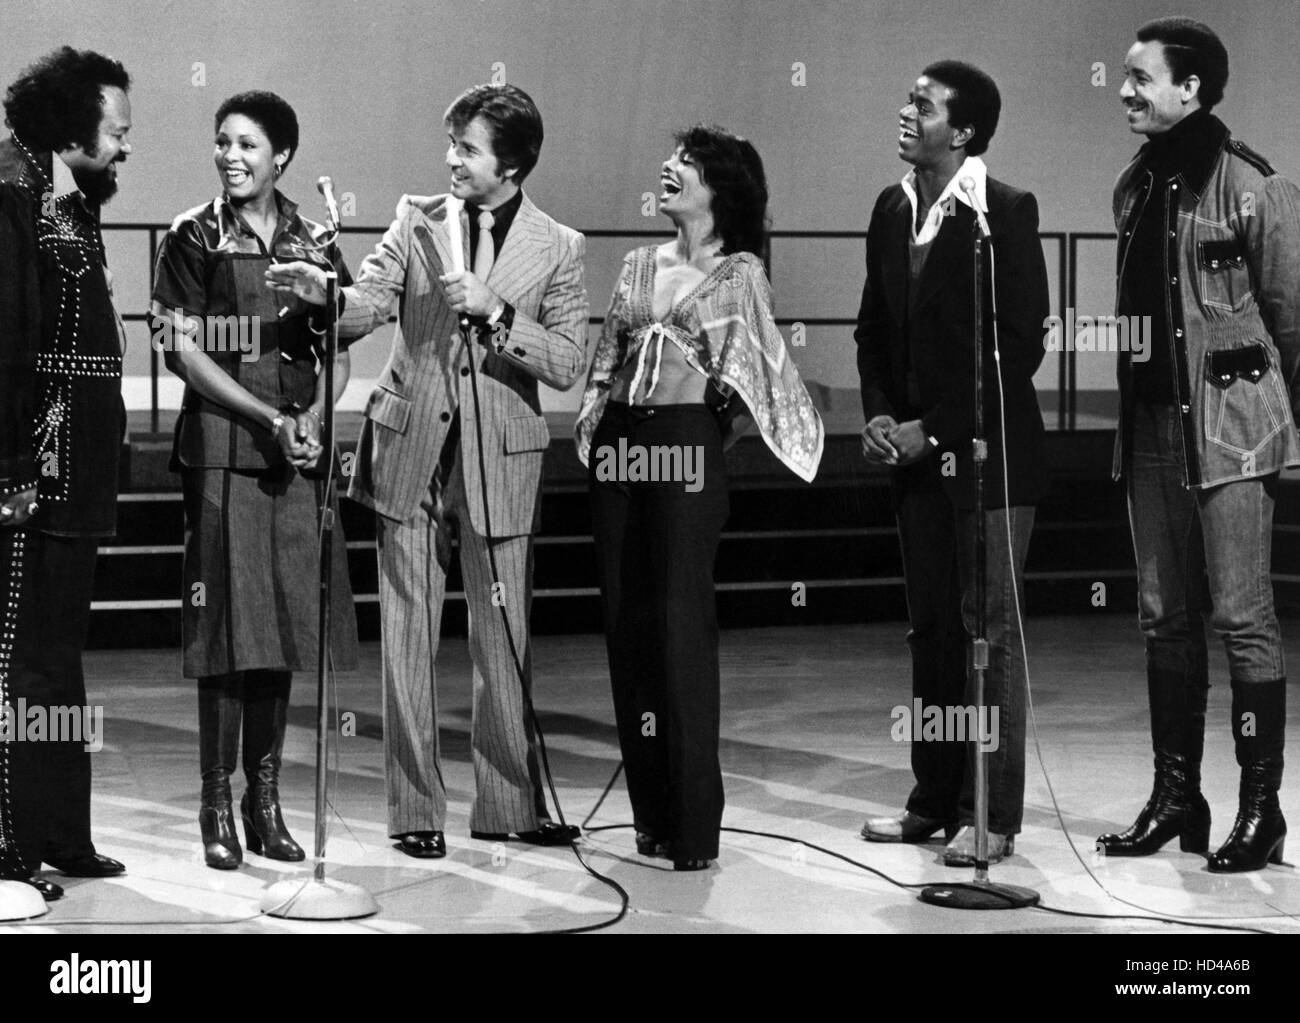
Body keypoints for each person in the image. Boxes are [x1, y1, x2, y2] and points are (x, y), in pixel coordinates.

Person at [268, 83, 588, 859]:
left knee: (502, 640)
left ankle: (508, 803)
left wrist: (500, 315)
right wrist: (324, 296)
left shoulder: (559, 246)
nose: (451, 159)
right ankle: (414, 809)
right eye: (451, 143)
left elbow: (570, 360)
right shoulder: (416, 218)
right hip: (409, 454)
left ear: (511, 165)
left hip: (499, 463)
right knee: (408, 637)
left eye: (469, 148)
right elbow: (367, 303)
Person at [576, 125, 823, 870]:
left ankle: (692, 824)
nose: (668, 168)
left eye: (686, 164)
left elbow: (760, 372)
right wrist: (593, 431)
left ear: (721, 188)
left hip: (685, 445)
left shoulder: (740, 271)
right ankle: (648, 814)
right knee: (629, 626)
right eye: (671, 159)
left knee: (681, 628)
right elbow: (608, 356)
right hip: (622, 440)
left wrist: (714, 433)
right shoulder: (636, 264)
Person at [1097, 19, 1300, 873]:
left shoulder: (1253, 185)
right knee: (1161, 619)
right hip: (1149, 427)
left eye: (1143, 78)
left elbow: (1290, 317)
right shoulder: (1135, 187)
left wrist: (1275, 424)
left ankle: (1264, 809)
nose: (1126, 89)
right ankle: (1178, 793)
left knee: (1244, 618)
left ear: (1192, 89)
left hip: (1231, 430)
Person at [151, 91, 360, 870]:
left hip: (292, 459)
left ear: (283, 158)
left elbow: (335, 344)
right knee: (225, 633)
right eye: (222, 143)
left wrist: (309, 418)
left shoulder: (312, 237)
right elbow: (183, 351)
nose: (230, 156)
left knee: (278, 627)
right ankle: (215, 803)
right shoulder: (192, 235)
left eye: (247, 145)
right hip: (221, 454)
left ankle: (264, 799)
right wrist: (267, 418)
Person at [855, 62, 1049, 865]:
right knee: (932, 633)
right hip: (912, 461)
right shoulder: (890, 207)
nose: (906, 111)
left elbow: (1020, 344)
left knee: (986, 637)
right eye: (908, 98)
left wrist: (931, 429)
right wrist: (877, 414)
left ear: (962, 132)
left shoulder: (1003, 212)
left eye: (923, 105)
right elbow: (873, 329)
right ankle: (933, 799)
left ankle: (991, 813)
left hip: (987, 459)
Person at [0, 46, 134, 901]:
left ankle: (60, 832)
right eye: (117, 130)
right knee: (21, 663)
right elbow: (9, 338)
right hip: (35, 471)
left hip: (78, 473)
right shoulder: (14, 193)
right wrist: (12, 466)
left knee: (61, 659)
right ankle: (9, 842)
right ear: (72, 121)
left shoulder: (67, 203)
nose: (125, 146)